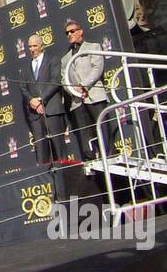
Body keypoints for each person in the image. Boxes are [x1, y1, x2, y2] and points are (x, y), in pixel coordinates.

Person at [60, 19, 108, 161]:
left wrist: (83, 85)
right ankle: (90, 158)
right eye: (67, 33)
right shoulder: (65, 59)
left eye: (72, 31)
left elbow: (97, 68)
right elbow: (64, 80)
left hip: (94, 94)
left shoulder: (93, 47)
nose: (69, 34)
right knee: (84, 132)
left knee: (102, 126)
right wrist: (74, 91)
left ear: (80, 31)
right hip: (77, 100)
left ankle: (108, 154)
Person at [20, 33, 67, 164]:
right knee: (41, 152)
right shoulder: (25, 68)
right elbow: (23, 88)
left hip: (52, 110)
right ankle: (45, 180)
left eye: (35, 46)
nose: (32, 49)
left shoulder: (53, 59)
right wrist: (31, 101)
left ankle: (65, 174)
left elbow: (55, 81)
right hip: (35, 114)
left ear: (42, 46)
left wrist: (41, 100)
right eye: (30, 46)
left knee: (59, 148)